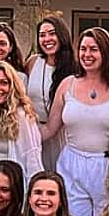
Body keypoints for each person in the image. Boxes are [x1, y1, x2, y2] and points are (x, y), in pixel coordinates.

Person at [42, 27, 109, 216]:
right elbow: (50, 128)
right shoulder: (68, 84)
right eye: (83, 49)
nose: (87, 55)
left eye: (93, 49)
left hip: (106, 166)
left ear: (105, 52)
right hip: (71, 163)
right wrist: (19, 129)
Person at [0, 61, 43, 187]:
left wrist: (34, 191)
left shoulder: (21, 117)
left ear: (12, 87)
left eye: (4, 83)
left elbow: (33, 160)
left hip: (11, 190)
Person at [26, 15, 75, 169]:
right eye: (42, 35)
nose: (47, 39)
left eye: (52, 33)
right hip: (33, 133)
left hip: (61, 135)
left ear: (62, 35)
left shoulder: (74, 67)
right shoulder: (32, 62)